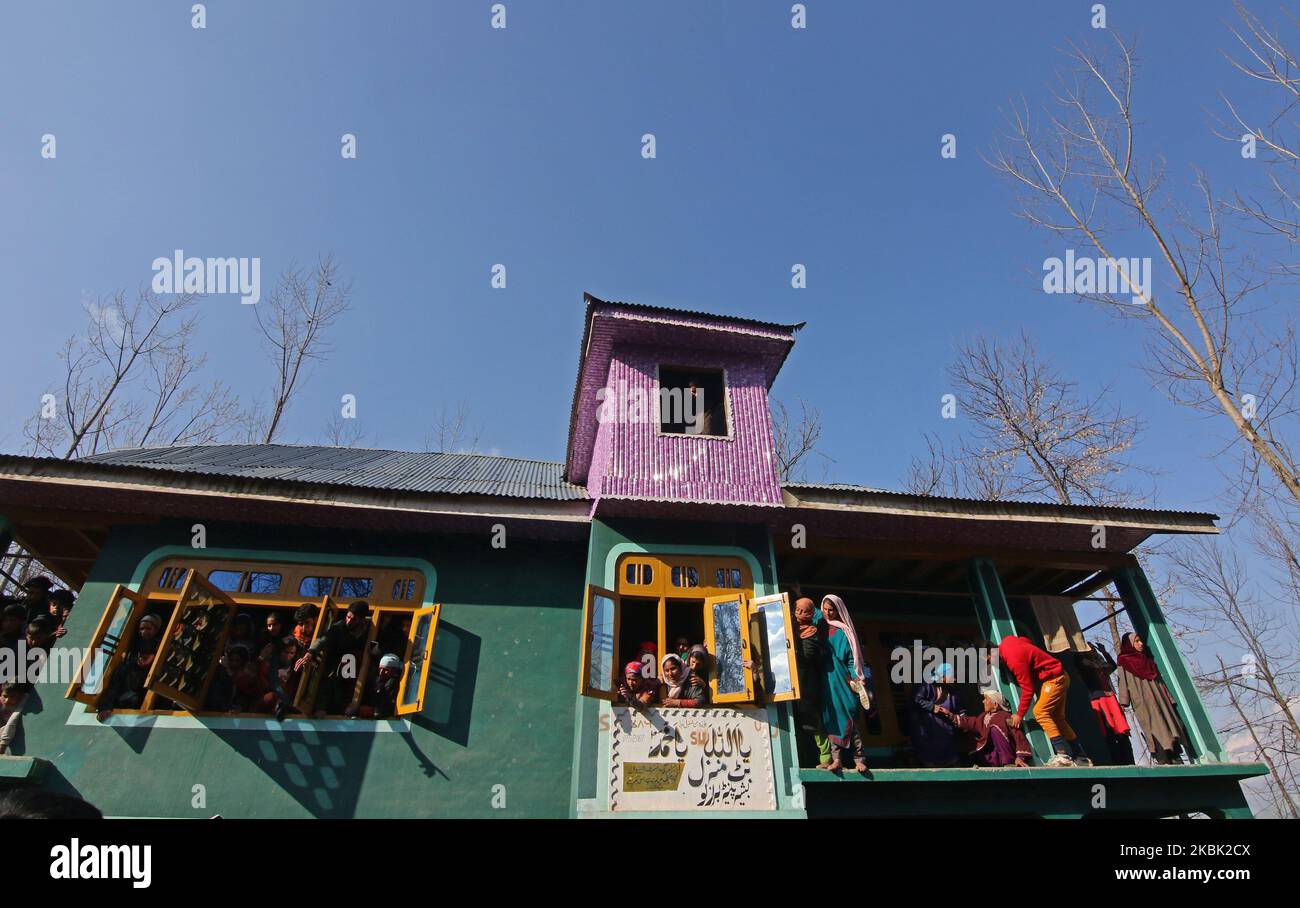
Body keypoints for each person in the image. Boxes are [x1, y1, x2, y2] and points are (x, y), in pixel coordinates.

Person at [986, 635, 1091, 767]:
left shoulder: (1013, 660)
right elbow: (1026, 640)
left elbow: (1028, 689)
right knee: (1058, 718)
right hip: (1061, 676)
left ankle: (1063, 756)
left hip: (1054, 679)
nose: (991, 664)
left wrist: (1019, 714)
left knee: (1040, 712)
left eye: (988, 661)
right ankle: (1081, 757)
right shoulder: (1007, 641)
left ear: (991, 653)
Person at [1116, 632, 1191, 765]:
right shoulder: (1124, 660)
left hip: (1159, 697)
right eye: (1137, 641)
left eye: (1140, 641)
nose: (1141, 644)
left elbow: (1159, 680)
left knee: (1168, 723)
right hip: (1143, 700)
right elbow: (1123, 682)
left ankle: (1174, 754)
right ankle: (1163, 757)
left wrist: (1169, 697)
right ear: (1130, 644)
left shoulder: (1147, 660)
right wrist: (1124, 701)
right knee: (1153, 727)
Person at [817, 594, 870, 774]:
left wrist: (856, 678)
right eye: (825, 609)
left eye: (831, 610)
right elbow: (809, 611)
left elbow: (850, 659)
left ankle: (859, 759)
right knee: (830, 716)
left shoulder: (843, 631)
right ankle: (836, 759)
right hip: (825, 678)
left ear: (839, 611)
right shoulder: (819, 625)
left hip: (842, 678)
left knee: (849, 713)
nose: (828, 612)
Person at [296, 601, 378, 716]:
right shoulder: (339, 627)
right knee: (330, 679)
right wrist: (309, 654)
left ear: (361, 619)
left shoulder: (370, 628)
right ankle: (321, 708)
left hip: (358, 664)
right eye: (348, 617)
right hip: (338, 662)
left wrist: (375, 650)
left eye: (353, 619)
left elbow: (376, 644)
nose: (349, 621)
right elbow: (322, 640)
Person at [937, 688, 1033, 767]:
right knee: (971, 736)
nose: (983, 701)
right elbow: (972, 722)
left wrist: (1020, 757)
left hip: (1006, 755)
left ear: (995, 704)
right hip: (992, 755)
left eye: (986, 699)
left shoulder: (1006, 716)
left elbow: (1018, 736)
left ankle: (1008, 763)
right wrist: (950, 715)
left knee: (994, 729)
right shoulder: (983, 717)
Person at [791, 597, 833, 769]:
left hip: (806, 680)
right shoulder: (789, 626)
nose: (800, 614)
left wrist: (795, 652)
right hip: (792, 680)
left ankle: (825, 757)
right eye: (797, 610)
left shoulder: (812, 632)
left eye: (804, 611)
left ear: (810, 614)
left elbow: (808, 657)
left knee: (811, 717)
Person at [96, 613, 163, 719]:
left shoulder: (161, 662)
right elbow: (113, 687)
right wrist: (105, 708)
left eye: (148, 628)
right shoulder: (127, 667)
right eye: (142, 628)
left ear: (156, 630)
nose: (144, 632)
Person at [910, 661, 963, 767]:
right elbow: (916, 700)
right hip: (930, 729)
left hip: (947, 731)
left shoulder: (953, 692)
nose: (955, 678)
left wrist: (961, 719)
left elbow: (961, 709)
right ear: (942, 676)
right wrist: (933, 707)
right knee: (931, 760)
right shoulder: (927, 686)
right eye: (952, 676)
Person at [348, 653, 403, 719]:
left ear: (394, 670)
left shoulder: (394, 684)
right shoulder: (375, 681)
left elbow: (388, 709)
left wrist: (369, 711)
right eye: (380, 668)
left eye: (386, 670)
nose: (381, 672)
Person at [0, 682, 29, 754]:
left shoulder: (22, 702)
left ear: (20, 696)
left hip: (7, 735)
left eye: (12, 696)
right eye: (5, 696)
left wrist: (2, 746)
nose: (7, 700)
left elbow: (12, 721)